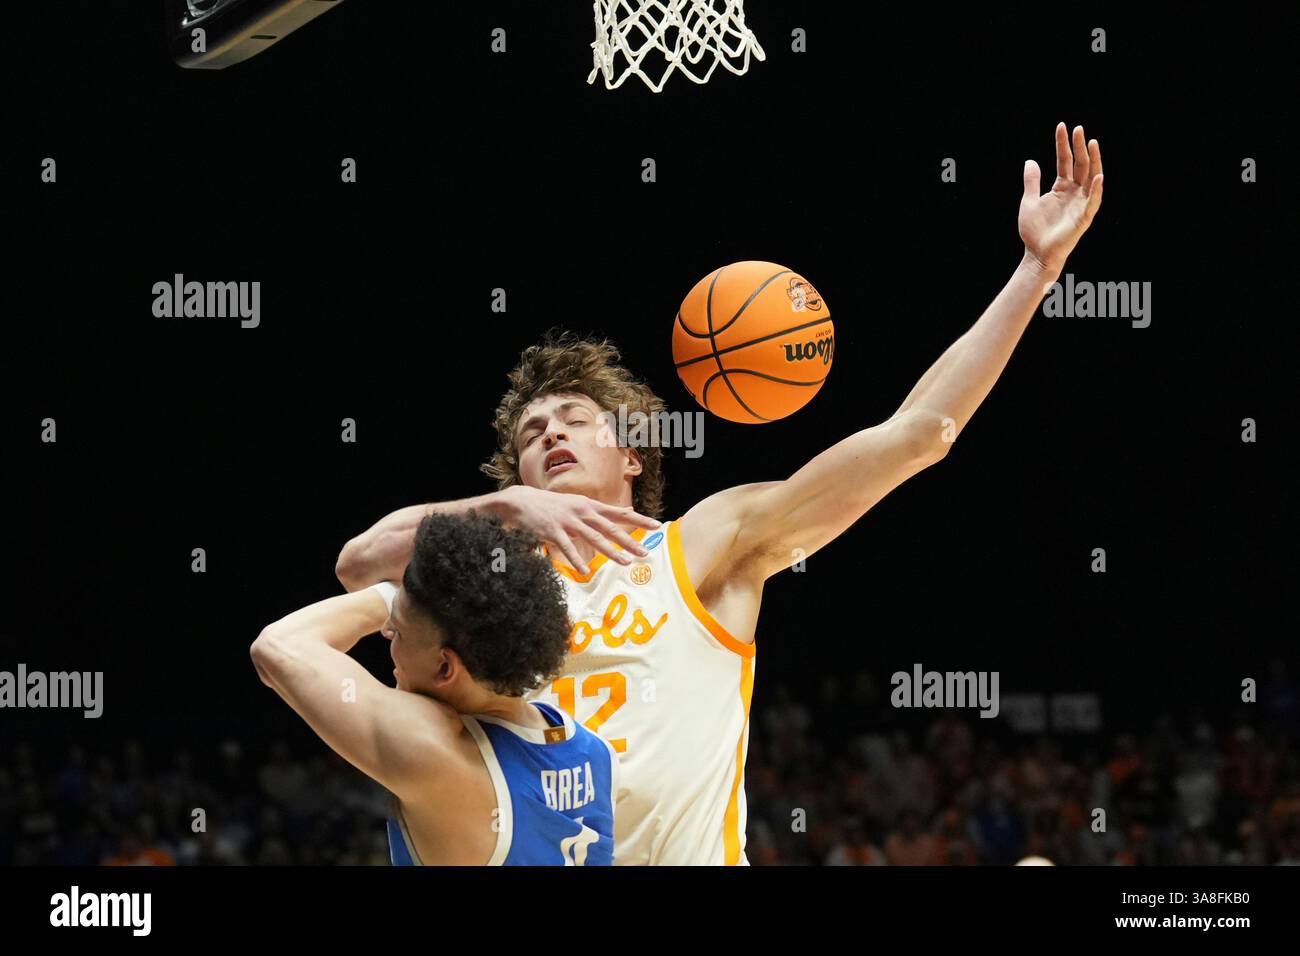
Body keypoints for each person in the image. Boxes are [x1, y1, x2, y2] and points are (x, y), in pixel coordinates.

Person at [335, 124, 1105, 865]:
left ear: (630, 454)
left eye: (574, 419)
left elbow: (916, 436)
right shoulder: (490, 587)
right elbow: (358, 565)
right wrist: (503, 511)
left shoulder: (701, 547)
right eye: (531, 434)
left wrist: (1034, 272)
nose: (549, 436)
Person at [252, 511, 618, 865]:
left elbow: (278, 646)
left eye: (398, 630)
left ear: (445, 667)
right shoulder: (594, 750)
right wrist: (419, 596)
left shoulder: (434, 748)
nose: (386, 634)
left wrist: (389, 595)